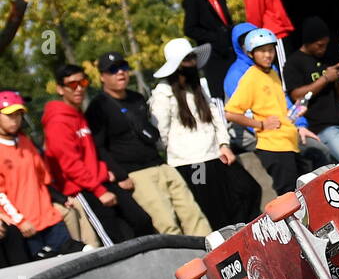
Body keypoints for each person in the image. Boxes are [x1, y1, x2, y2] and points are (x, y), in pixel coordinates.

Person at [86, 52, 211, 237]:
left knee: (193, 213)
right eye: (113, 70)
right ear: (102, 76)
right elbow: (98, 147)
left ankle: (210, 254)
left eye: (124, 67)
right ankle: (182, 262)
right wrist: (121, 175)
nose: (120, 73)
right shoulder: (98, 106)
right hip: (136, 173)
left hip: (160, 164)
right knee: (166, 223)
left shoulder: (136, 98)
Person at [151, 37, 261, 229]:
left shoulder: (198, 87)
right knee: (212, 209)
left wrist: (224, 144)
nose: (192, 63)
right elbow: (161, 131)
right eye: (187, 59)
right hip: (191, 164)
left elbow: (216, 118)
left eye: (193, 58)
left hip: (217, 155)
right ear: (177, 66)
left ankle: (245, 235)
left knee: (249, 190)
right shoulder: (163, 92)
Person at [41, 64, 156, 242]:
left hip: (99, 180)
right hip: (83, 189)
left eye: (83, 82)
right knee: (115, 240)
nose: (79, 88)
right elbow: (70, 164)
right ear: (60, 89)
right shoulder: (57, 122)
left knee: (142, 220)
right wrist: (99, 190)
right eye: (72, 85)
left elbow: (90, 152)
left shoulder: (77, 115)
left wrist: (103, 169)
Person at [226, 28, 322, 195]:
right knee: (290, 196)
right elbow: (231, 113)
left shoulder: (272, 73)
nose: (268, 55)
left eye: (270, 50)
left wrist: (295, 111)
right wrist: (261, 124)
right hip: (273, 146)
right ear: (251, 54)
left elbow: (275, 109)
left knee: (307, 190)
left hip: (288, 140)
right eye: (262, 51)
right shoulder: (250, 78)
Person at [0, 91, 84, 265]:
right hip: (27, 227)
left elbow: (42, 179)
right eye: (9, 115)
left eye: (18, 115)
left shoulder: (25, 141)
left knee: (73, 263)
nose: (15, 120)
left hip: (49, 218)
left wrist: (59, 198)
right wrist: (21, 222)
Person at [283, 16, 339, 162]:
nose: (323, 49)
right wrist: (325, 79)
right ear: (308, 42)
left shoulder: (327, 57)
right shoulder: (293, 63)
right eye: (319, 45)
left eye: (325, 45)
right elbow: (296, 96)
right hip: (323, 126)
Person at [181, 0, 235, 96]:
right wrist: (214, 37)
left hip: (229, 50)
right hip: (213, 54)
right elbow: (190, 29)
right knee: (220, 92)